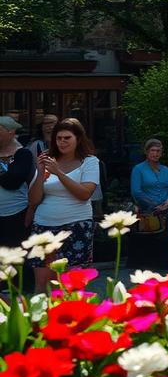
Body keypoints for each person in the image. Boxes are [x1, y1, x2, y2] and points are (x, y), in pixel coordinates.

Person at [26, 118, 100, 290]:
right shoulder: (49, 160)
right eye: (58, 138)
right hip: (44, 225)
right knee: (43, 285)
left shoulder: (89, 161)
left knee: (71, 286)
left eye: (67, 138)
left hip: (76, 225)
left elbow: (84, 194)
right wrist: (40, 171)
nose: (62, 142)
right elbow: (34, 200)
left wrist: (58, 173)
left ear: (78, 139)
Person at [0, 117, 34, 290]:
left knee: (18, 249)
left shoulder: (23, 153)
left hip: (18, 211)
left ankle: (20, 286)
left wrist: (6, 177)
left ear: (10, 131)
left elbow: (13, 182)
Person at [130, 139, 168, 230]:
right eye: (152, 150)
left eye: (158, 151)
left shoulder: (166, 170)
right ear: (146, 152)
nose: (155, 154)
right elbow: (136, 192)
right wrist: (155, 205)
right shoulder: (138, 169)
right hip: (146, 212)